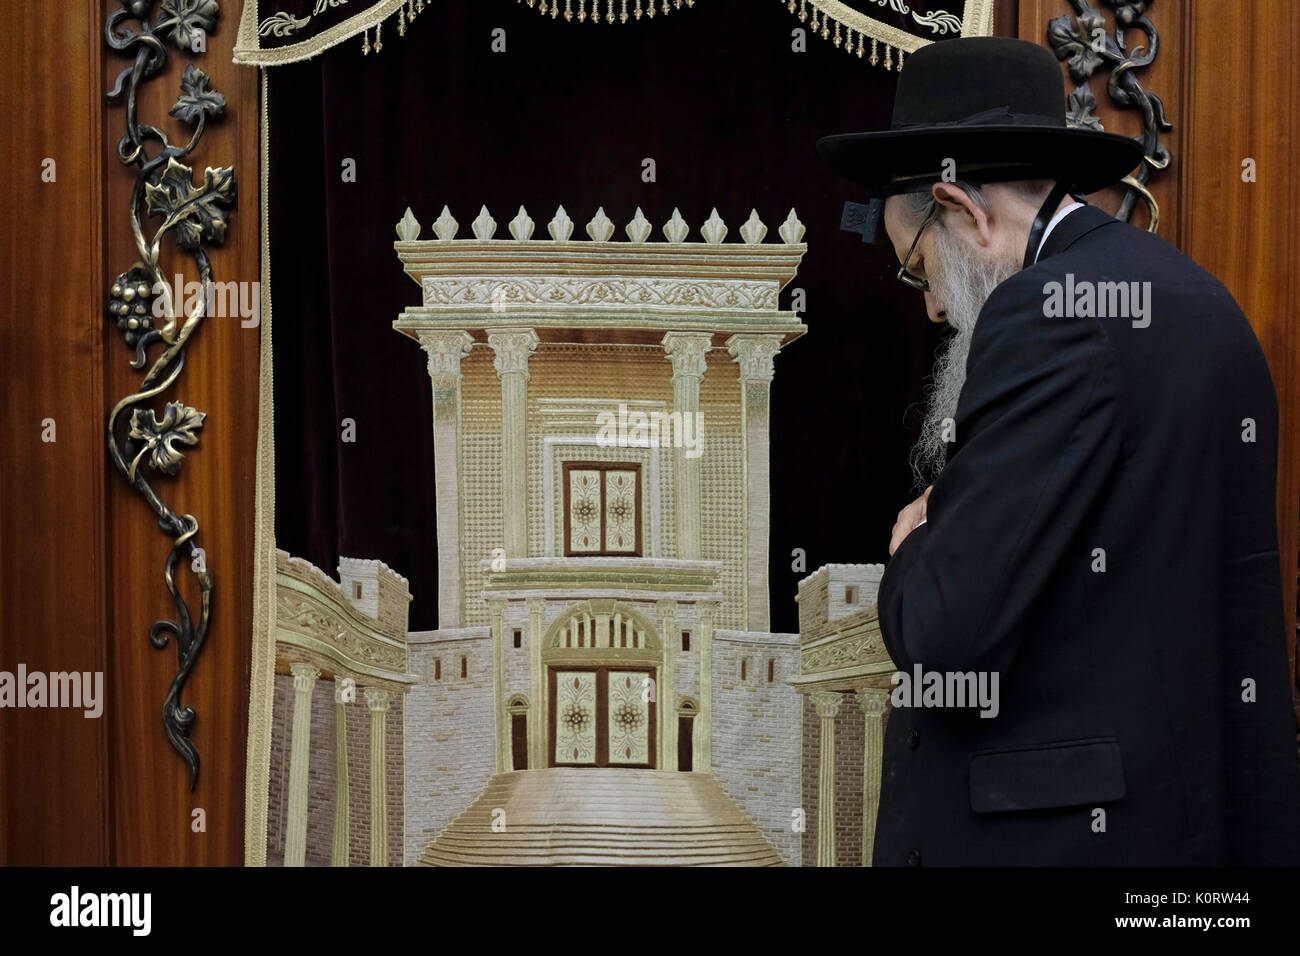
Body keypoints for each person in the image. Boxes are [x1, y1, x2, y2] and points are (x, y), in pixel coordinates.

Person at [816, 36, 1300, 865]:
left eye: (917, 265)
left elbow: (944, 630)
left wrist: (921, 542)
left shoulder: (1046, 314)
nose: (931, 306)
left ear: (960, 209)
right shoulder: (1194, 294)